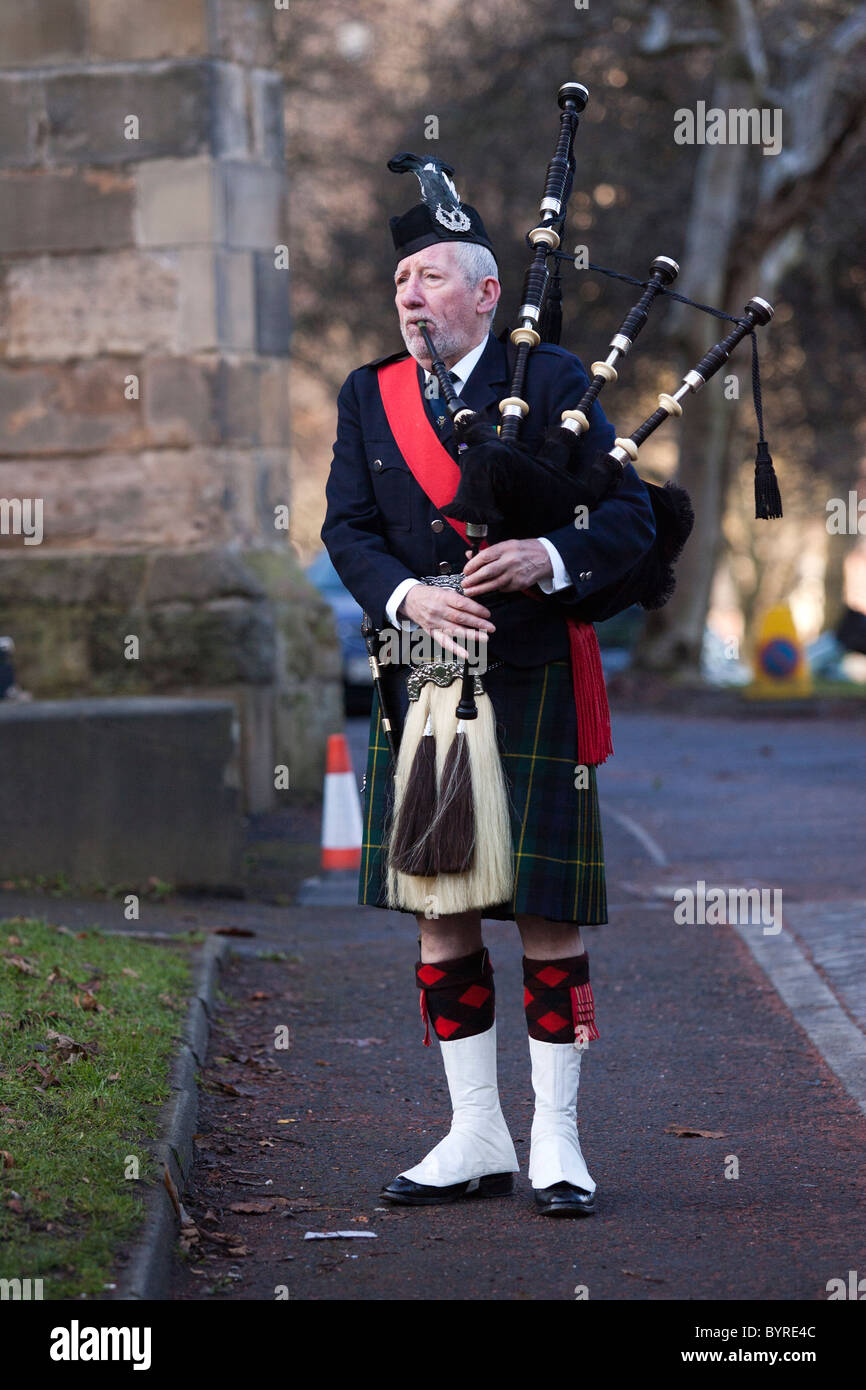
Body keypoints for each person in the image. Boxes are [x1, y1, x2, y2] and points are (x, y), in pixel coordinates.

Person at [320, 165, 656, 1216]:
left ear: (481, 293)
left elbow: (631, 525)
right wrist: (407, 595)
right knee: (441, 909)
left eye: (428, 278)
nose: (410, 295)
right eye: (400, 282)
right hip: (425, 677)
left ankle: (554, 1137)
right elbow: (346, 530)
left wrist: (548, 557)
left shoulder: (553, 380)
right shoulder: (366, 395)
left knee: (545, 915)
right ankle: (474, 1133)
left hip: (532, 674)